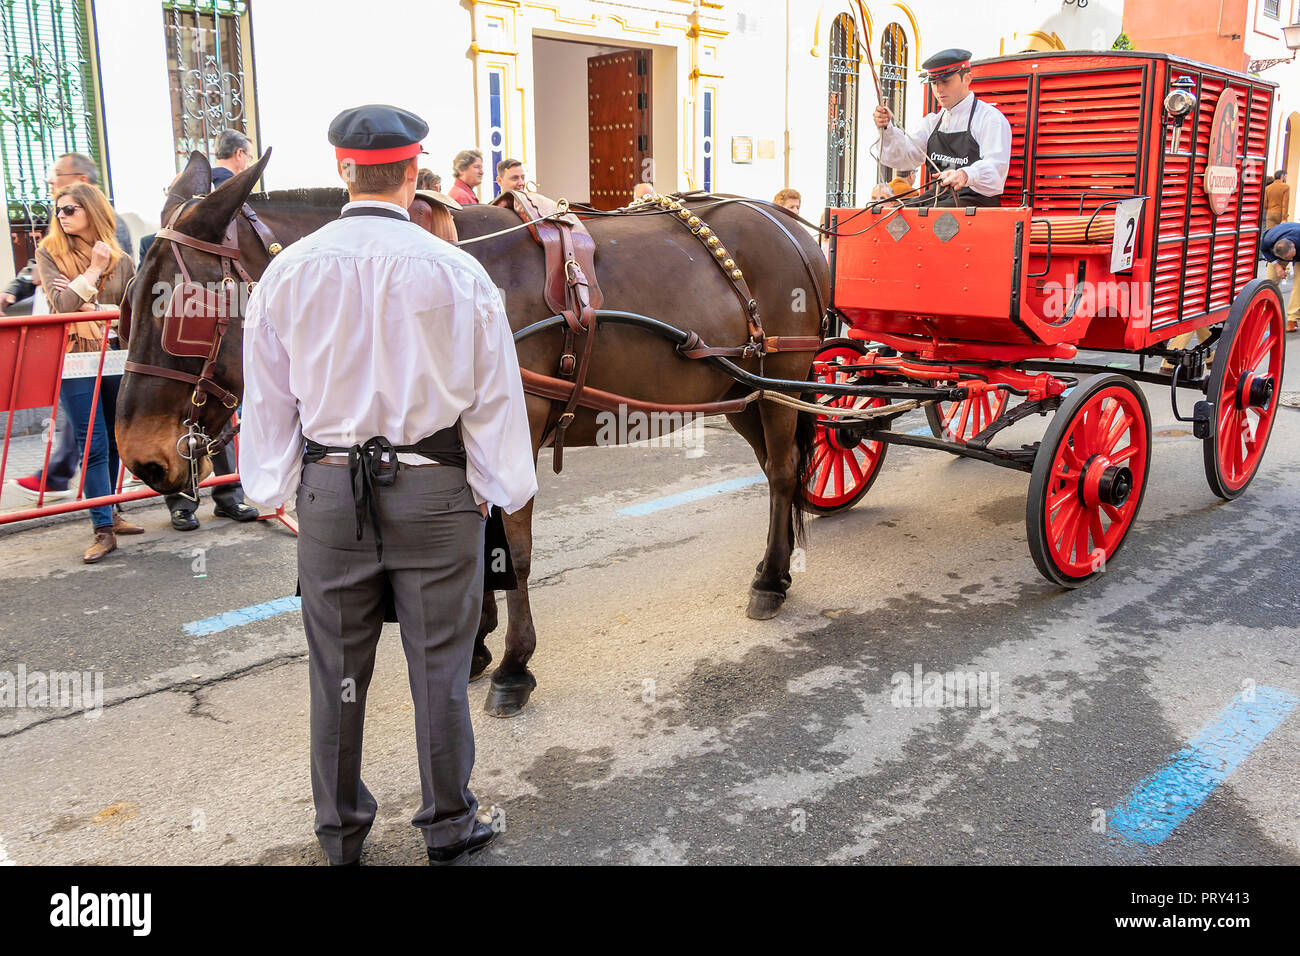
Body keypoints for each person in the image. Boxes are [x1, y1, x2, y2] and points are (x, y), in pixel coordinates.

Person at [240, 104, 537, 866]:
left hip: (332, 490)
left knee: (335, 676)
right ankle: (448, 825)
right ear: (415, 174)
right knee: (440, 668)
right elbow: (495, 394)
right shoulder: (457, 269)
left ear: (344, 171)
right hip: (436, 491)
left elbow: (268, 399)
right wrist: (493, 489)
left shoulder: (287, 272)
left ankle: (339, 834)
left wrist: (274, 490)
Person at [36, 183, 143, 562]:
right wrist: (94, 271)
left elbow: (128, 311)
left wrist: (88, 302)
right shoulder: (49, 253)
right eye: (59, 210)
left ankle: (112, 512)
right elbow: (62, 305)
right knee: (93, 443)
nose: (61, 216)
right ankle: (101, 527)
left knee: (115, 440)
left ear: (92, 211)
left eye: (70, 210)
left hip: (115, 354)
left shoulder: (123, 259)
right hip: (75, 357)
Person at [161, 132, 262, 531]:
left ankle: (217, 496)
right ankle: (193, 498)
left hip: (215, 324)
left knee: (210, 414)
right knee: (191, 414)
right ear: (240, 156)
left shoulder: (242, 205)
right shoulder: (201, 202)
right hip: (198, 325)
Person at [873, 48, 1011, 208]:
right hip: (940, 196)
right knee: (896, 214)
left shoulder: (989, 119)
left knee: (932, 218)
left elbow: (996, 168)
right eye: (934, 83)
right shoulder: (931, 123)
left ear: (967, 78)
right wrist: (886, 130)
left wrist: (965, 175)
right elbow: (904, 158)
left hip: (976, 203)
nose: (938, 89)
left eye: (945, 81)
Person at [2, 153, 131, 311]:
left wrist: (84, 300)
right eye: (58, 211)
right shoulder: (53, 248)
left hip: (111, 331)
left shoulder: (117, 239)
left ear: (82, 179)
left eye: (58, 174)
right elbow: (60, 298)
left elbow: (129, 308)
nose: (50, 180)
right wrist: (15, 288)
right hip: (72, 332)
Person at [1260, 224, 1300, 332]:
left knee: (1299, 284)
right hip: (1281, 249)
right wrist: (1277, 265)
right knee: (1270, 282)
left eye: (1291, 257)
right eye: (1287, 258)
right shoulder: (1269, 239)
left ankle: (1292, 319)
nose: (1290, 259)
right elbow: (1264, 250)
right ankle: (1262, 314)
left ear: (1293, 246)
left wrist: (1293, 260)